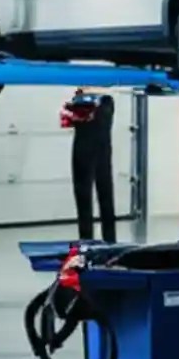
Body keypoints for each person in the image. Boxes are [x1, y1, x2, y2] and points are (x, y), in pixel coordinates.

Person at [62, 88, 117, 244]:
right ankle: (109, 241)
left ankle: (88, 241)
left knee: (85, 196)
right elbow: (66, 119)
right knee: (104, 193)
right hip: (101, 146)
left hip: (86, 146)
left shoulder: (87, 101)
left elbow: (67, 120)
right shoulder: (105, 101)